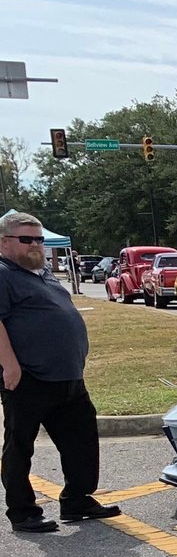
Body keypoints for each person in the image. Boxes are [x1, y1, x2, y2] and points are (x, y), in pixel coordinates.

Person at [0, 211, 121, 535]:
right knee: (19, 446)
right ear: (4, 243)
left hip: (67, 377)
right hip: (29, 378)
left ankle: (77, 500)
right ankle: (23, 512)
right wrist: (10, 365)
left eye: (39, 239)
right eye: (26, 239)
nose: (35, 245)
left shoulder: (42, 273)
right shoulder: (3, 273)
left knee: (81, 440)